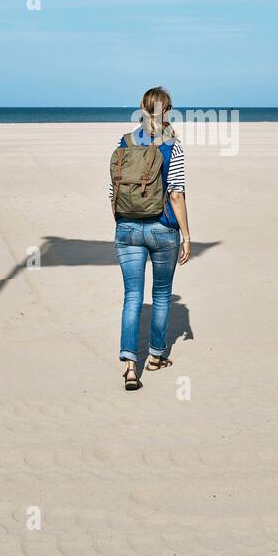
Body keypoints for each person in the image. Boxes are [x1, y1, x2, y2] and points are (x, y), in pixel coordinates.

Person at [109, 87, 192, 390]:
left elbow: (113, 191)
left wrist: (123, 223)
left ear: (141, 110)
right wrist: (186, 235)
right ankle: (155, 356)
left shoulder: (125, 142)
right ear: (167, 111)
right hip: (162, 229)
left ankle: (131, 367)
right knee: (160, 295)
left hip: (127, 228)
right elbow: (177, 192)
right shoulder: (173, 145)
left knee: (132, 297)